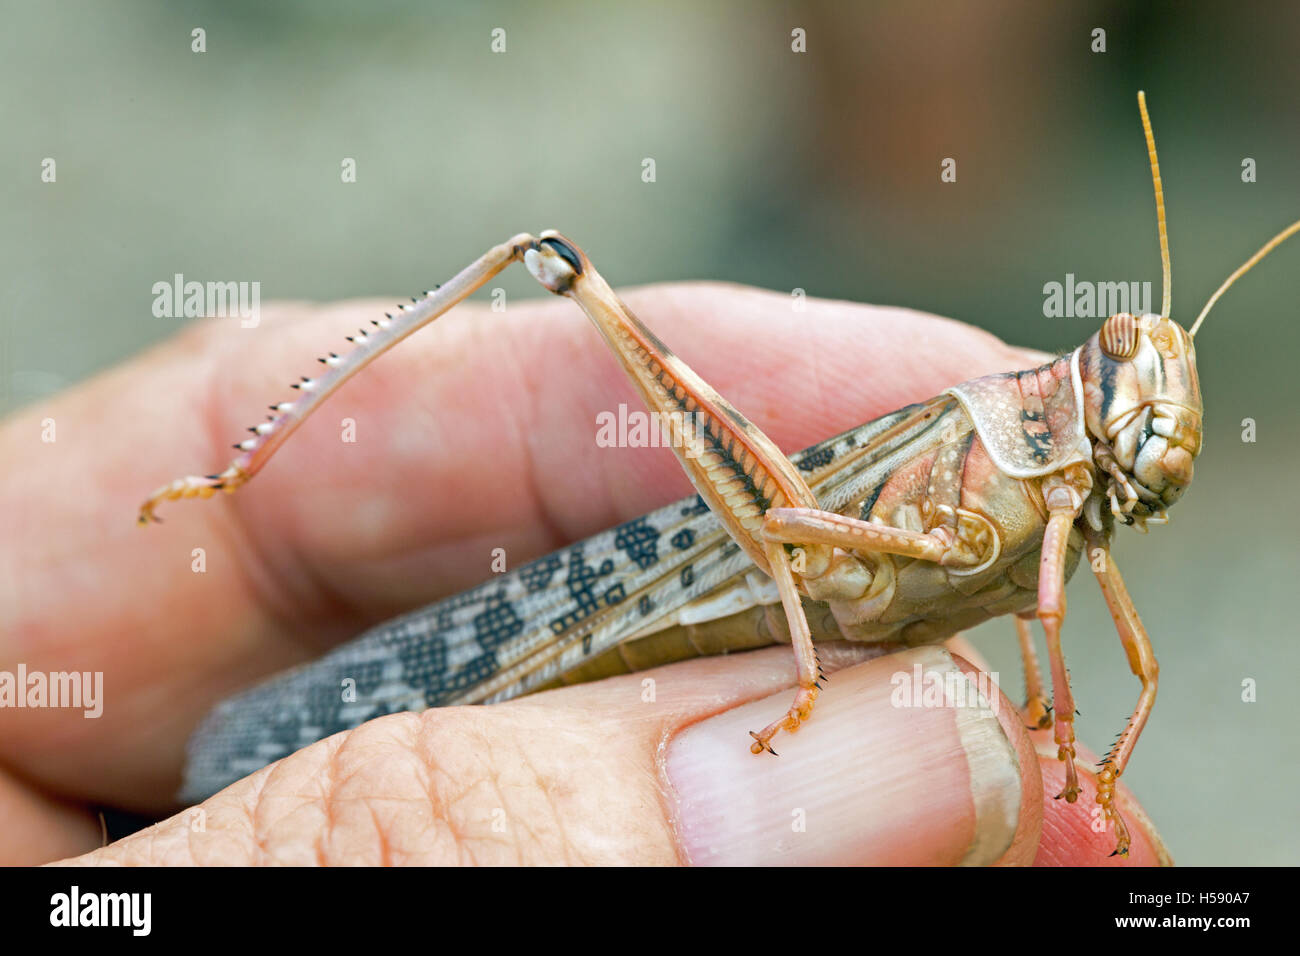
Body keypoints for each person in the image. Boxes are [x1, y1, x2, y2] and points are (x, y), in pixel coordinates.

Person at [0, 283, 1168, 865]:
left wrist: (1087, 750)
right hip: (710, 565)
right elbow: (812, 543)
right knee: (557, 266)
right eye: (1122, 357)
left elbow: (1069, 613)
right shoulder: (998, 447)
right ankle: (230, 481)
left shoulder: (1065, 521)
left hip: (820, 580)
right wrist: (810, 696)